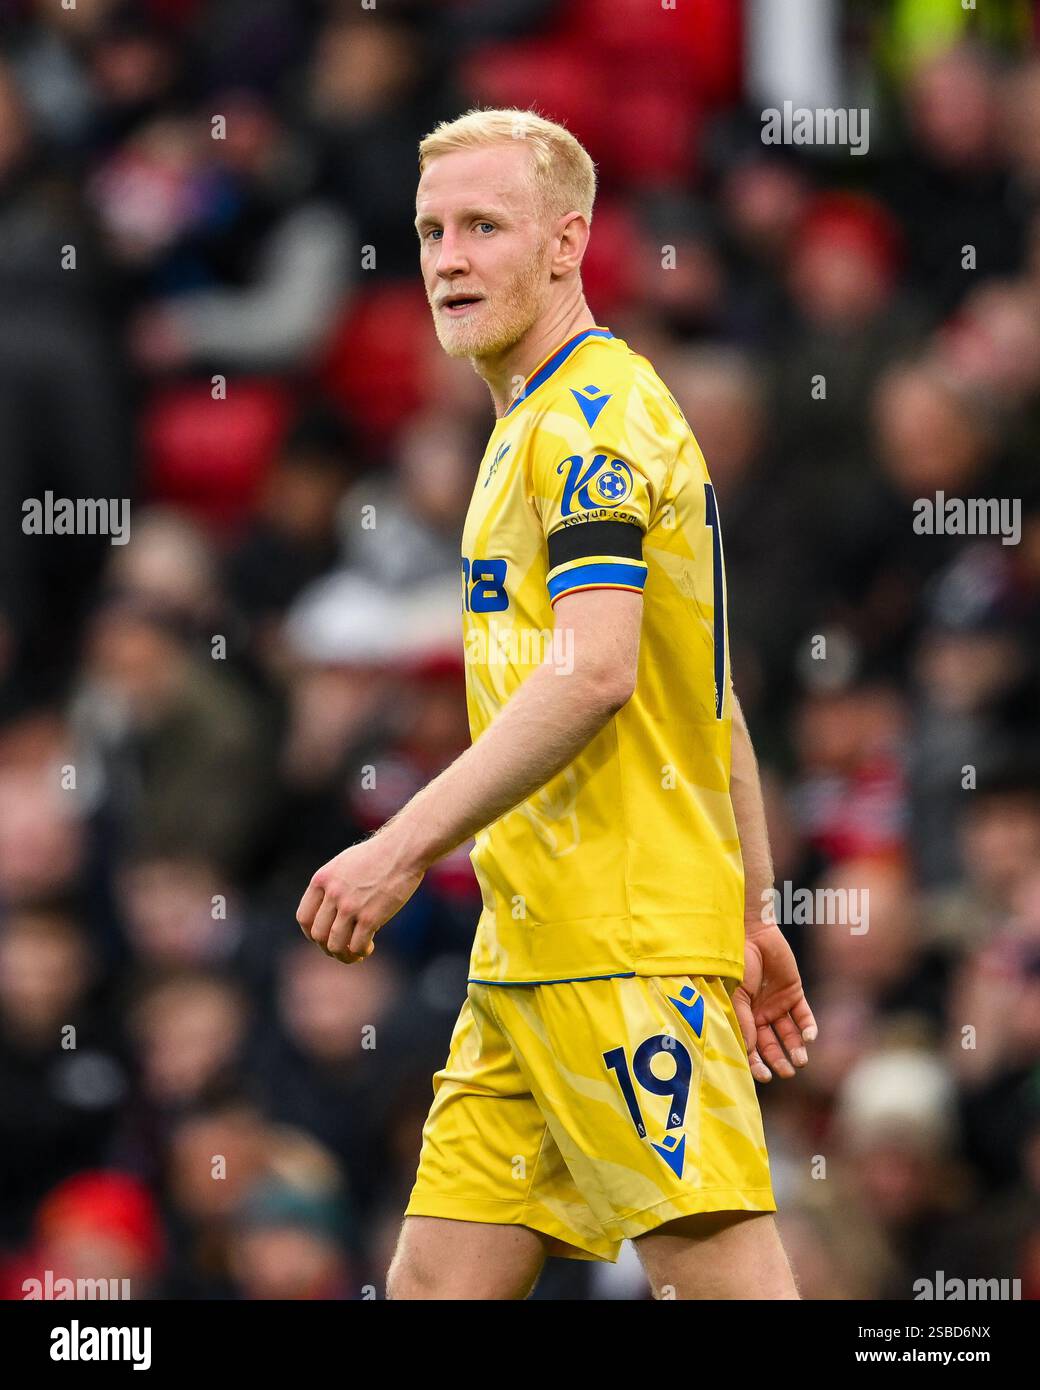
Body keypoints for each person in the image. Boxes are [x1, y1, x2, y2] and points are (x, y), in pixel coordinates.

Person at [296, 108, 817, 1300]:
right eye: (430, 231)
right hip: (528, 950)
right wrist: (748, 904)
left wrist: (399, 846)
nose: (448, 258)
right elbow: (709, 697)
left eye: (484, 226)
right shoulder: (528, 419)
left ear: (565, 241)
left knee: (728, 1287)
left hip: (616, 949)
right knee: (430, 1284)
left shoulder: (591, 421)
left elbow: (596, 671)